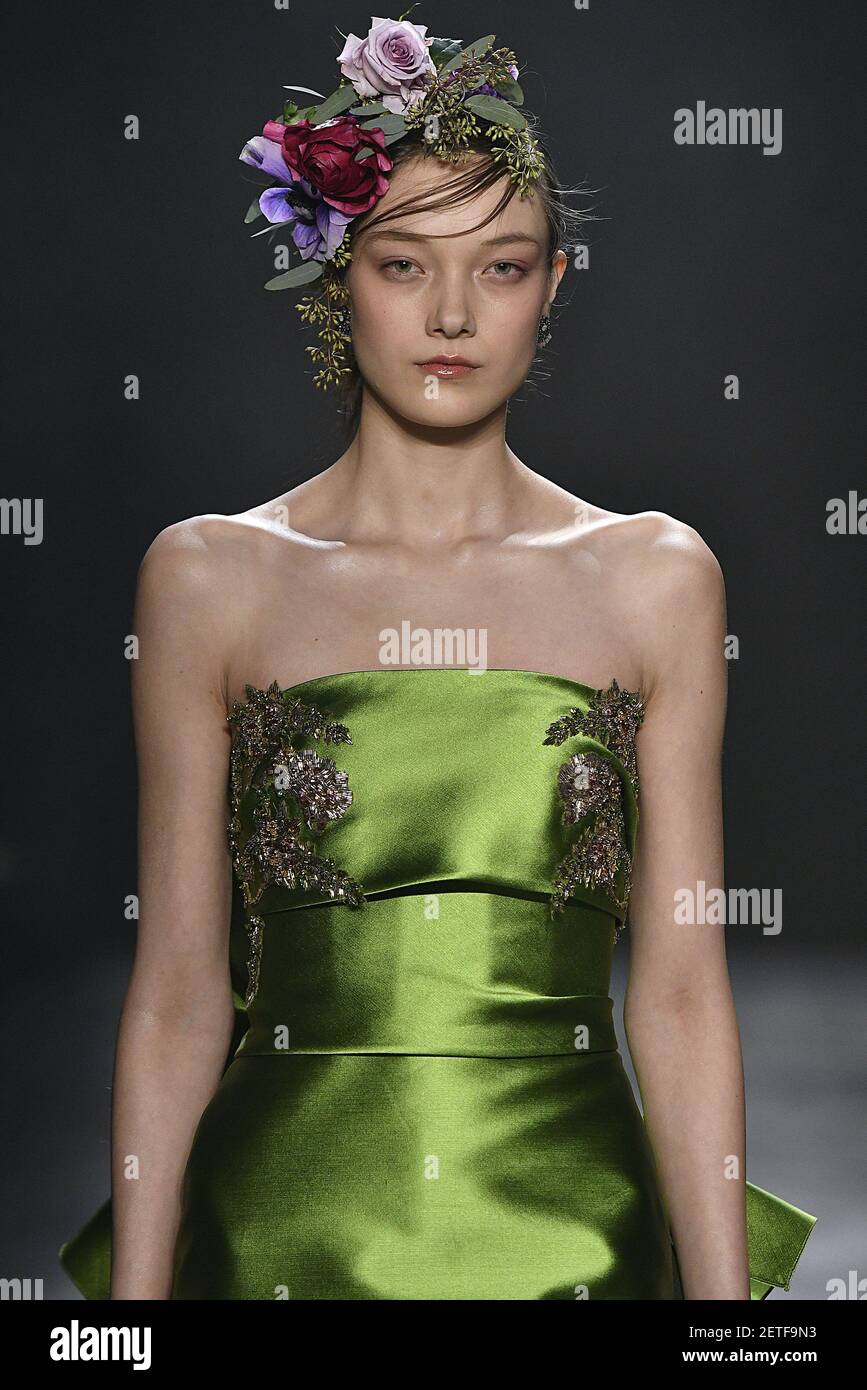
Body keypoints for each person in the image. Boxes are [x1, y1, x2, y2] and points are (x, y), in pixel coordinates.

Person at [60, 17, 815, 1299]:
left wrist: (729, 1330)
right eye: (405, 263)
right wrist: (131, 1326)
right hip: (275, 1245)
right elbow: (181, 986)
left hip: (574, 1249)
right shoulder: (206, 577)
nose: (453, 313)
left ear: (554, 285)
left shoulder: (655, 577)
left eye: (503, 266)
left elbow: (682, 991)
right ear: (334, 268)